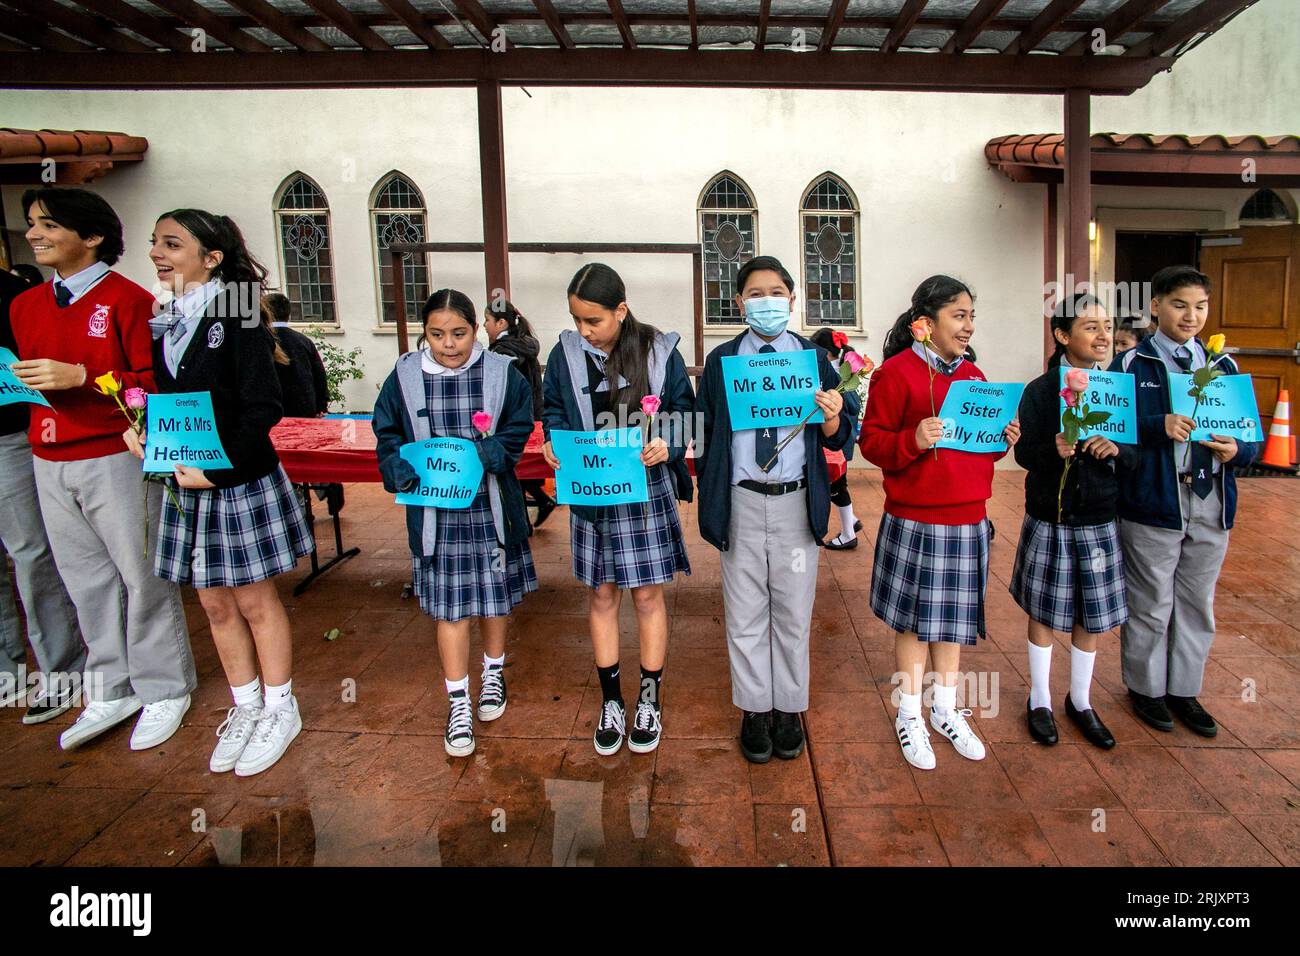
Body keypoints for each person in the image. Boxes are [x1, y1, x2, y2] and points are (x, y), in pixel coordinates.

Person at [124, 208, 314, 775]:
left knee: (255, 600)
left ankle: (281, 707)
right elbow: (173, 401)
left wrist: (220, 469)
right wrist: (148, 435)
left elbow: (262, 409)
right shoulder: (164, 320)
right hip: (189, 481)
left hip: (235, 480)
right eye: (156, 243)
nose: (158, 253)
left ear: (211, 259)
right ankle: (245, 705)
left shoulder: (239, 319)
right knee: (212, 601)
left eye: (172, 244)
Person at [9, 186, 195, 752]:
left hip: (114, 455)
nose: (35, 234)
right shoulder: (24, 306)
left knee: (141, 574)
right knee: (83, 577)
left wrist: (83, 377)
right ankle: (111, 685)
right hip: (47, 457)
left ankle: (164, 685)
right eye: (33, 224)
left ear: (91, 237)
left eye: (48, 224)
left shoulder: (128, 301)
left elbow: (154, 385)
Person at [697, 256, 854, 763]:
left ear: (792, 298)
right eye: (755, 294)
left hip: (793, 501)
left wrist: (830, 420)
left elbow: (844, 434)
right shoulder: (722, 362)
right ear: (740, 302)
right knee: (744, 614)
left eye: (776, 292)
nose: (767, 301)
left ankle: (788, 708)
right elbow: (702, 433)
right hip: (742, 499)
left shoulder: (814, 358)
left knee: (792, 611)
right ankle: (754, 708)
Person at [859, 275, 1020, 771]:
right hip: (915, 518)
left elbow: (983, 448)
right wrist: (913, 438)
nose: (969, 326)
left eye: (972, 316)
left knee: (951, 623)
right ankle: (910, 712)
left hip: (969, 516)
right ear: (924, 324)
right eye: (959, 315)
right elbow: (871, 444)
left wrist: (1003, 439)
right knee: (913, 620)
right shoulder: (896, 374)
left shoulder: (974, 378)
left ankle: (946, 708)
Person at [374, 288, 538, 757]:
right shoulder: (404, 377)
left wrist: (497, 452)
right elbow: (386, 430)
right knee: (450, 609)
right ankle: (457, 699)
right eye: (437, 334)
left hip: (489, 509)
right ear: (424, 334)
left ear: (477, 329)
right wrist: (393, 463)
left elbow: (519, 425)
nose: (448, 344)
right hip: (435, 515)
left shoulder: (503, 374)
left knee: (493, 599)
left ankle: (492, 672)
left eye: (460, 333)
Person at [542, 263, 694, 756]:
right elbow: (555, 411)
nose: (583, 330)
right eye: (576, 319)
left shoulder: (658, 350)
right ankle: (612, 701)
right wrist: (552, 441)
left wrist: (667, 446)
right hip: (592, 494)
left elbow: (685, 412)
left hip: (645, 493)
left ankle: (649, 699)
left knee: (647, 597)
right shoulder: (565, 356)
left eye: (594, 321)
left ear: (621, 311)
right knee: (603, 595)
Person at [1109, 265, 1259, 737]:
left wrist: (1240, 451)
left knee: (1197, 602)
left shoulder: (1223, 367)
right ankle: (1146, 689)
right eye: (1179, 305)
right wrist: (1159, 426)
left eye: (1200, 306)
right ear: (1155, 307)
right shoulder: (1133, 365)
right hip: (1156, 500)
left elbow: (1248, 439)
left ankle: (1184, 691)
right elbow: (1109, 431)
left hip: (1211, 499)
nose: (1191, 316)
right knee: (1151, 601)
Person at [1011, 293, 1136, 749]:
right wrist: (1054, 450)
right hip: (1052, 515)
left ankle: (1080, 700)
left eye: (1107, 326)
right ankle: (1039, 698)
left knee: (1093, 613)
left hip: (1099, 516)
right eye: (1090, 327)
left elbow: (1138, 454)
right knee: (1044, 607)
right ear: (1063, 336)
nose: (1103, 335)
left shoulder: (1117, 389)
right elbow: (1024, 454)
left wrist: (1118, 449)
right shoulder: (1041, 391)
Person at [0, 266, 85, 722]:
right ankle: (6, 669)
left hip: (10, 435)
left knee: (31, 553)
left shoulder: (19, 296)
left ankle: (62, 670)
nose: (34, 233)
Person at [485, 297, 557, 527]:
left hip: (514, 418)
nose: (484, 325)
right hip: (533, 415)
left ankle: (522, 520)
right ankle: (539, 502)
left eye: (487, 320)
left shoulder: (503, 353)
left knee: (513, 466)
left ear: (501, 323)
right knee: (523, 467)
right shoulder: (525, 345)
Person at [809, 326, 866, 550]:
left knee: (836, 486)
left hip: (839, 441)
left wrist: (836, 396)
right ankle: (850, 522)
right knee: (837, 484)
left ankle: (848, 532)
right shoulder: (831, 369)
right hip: (832, 441)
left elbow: (853, 406)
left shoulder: (840, 373)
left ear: (827, 353)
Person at [262, 292, 329, 417]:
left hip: (273, 411)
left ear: (266, 313)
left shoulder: (261, 341)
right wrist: (321, 405)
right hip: (303, 409)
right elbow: (319, 375)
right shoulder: (304, 341)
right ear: (288, 315)